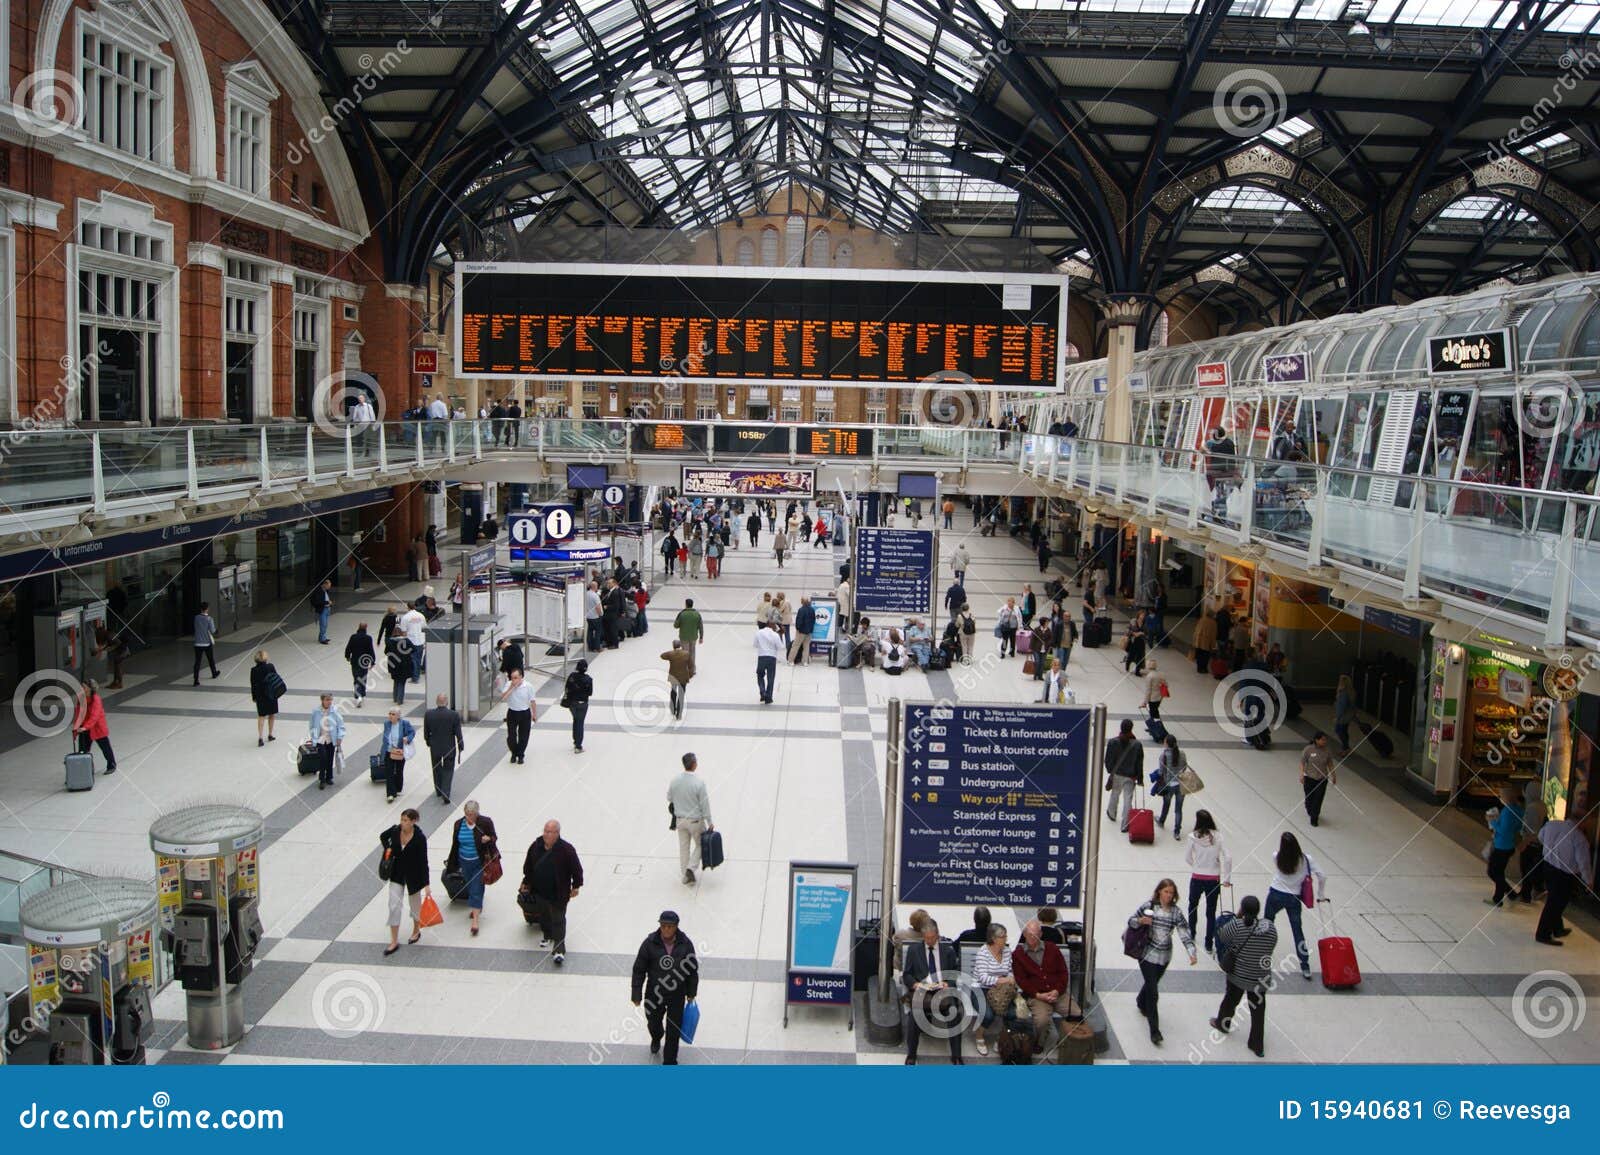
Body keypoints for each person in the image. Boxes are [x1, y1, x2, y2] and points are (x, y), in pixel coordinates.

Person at [1128, 878, 1196, 1046]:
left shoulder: (1176, 913)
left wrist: (1191, 953)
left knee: (1152, 984)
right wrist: (1140, 921)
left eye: (1171, 892)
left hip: (1164, 956)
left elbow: (1184, 932)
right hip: (1147, 954)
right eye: (1165, 891)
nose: (1168, 895)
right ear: (1159, 891)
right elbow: (1131, 921)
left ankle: (1140, 1001)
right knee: (1153, 991)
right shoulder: (1149, 907)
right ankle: (1154, 1030)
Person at [1210, 894, 1278, 1058]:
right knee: (1258, 1010)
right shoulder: (1270, 927)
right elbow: (1272, 946)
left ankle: (1223, 1023)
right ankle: (1257, 1044)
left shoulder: (1237, 926)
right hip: (1260, 977)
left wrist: (1238, 917)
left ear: (1243, 909)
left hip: (1238, 975)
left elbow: (1222, 936)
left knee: (1230, 1001)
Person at [631, 911, 699, 1064]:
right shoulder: (649, 943)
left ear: (676, 927)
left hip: (677, 993)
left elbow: (692, 971)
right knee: (653, 1022)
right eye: (663, 926)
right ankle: (656, 1036)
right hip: (654, 992)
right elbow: (639, 970)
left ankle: (670, 1061)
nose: (666, 929)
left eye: (670, 926)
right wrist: (636, 994)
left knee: (673, 1030)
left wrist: (691, 993)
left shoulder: (686, 944)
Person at [521, 819, 584, 965]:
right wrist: (526, 882)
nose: (546, 834)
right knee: (543, 915)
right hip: (539, 891)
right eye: (545, 831)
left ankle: (559, 949)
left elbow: (577, 869)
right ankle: (547, 935)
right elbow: (528, 866)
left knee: (559, 920)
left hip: (559, 893)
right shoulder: (535, 846)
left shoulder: (567, 850)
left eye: (550, 832)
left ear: (557, 833)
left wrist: (576, 886)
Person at [902, 918, 963, 1065]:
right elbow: (906, 975)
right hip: (923, 991)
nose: (929, 941)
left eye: (931, 938)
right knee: (915, 1015)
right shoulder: (914, 950)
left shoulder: (947, 952)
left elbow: (955, 974)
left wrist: (947, 983)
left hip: (943, 992)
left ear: (937, 935)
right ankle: (911, 1054)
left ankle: (956, 1055)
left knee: (955, 1013)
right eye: (926, 938)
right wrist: (915, 984)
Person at [1264, 832, 1324, 979]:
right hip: (1294, 897)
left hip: (1275, 893)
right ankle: (1305, 966)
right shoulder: (1306, 860)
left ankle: (1264, 961)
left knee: (1267, 926)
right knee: (1297, 931)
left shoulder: (1276, 856)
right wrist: (1321, 894)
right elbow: (1322, 875)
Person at [1013, 917, 1071, 1049]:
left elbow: (1063, 973)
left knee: (1076, 1015)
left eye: (1035, 934)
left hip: (1058, 993)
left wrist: (1057, 991)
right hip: (1037, 996)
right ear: (1024, 935)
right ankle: (1039, 1043)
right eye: (1029, 934)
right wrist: (1038, 995)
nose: (1032, 937)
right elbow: (1021, 981)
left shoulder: (1052, 949)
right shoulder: (1018, 954)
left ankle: (1064, 1041)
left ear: (1040, 934)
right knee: (1041, 1021)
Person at [379, 809, 430, 956]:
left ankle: (416, 930)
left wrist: (426, 884)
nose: (403, 823)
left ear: (414, 821)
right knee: (393, 905)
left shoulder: (420, 838)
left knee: (415, 905)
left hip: (414, 875)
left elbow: (423, 861)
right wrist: (388, 849)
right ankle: (394, 940)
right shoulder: (396, 830)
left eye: (406, 820)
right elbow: (383, 836)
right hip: (397, 874)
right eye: (402, 819)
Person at [1535, 817, 1593, 945]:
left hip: (1547, 866)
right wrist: (1588, 881)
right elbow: (1583, 862)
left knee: (1554, 899)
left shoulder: (1552, 824)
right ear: (1582, 822)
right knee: (1556, 903)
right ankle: (1542, 934)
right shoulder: (1579, 838)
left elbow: (1540, 836)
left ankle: (1557, 928)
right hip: (1563, 875)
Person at [445, 801, 498, 936]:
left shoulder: (485, 823)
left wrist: (488, 839)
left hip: (479, 861)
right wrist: (453, 862)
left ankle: (475, 920)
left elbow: (494, 837)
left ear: (477, 813)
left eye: (473, 815)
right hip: (464, 860)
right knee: (470, 885)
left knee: (476, 888)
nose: (470, 818)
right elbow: (455, 844)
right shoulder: (458, 824)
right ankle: (477, 906)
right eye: (467, 814)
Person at [1185, 809, 1231, 954]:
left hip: (1197, 876)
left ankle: (1191, 933)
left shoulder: (1192, 837)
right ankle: (1208, 942)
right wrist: (1227, 878)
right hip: (1213, 878)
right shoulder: (1218, 836)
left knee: (1193, 905)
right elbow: (1228, 857)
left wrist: (1196, 865)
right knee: (1210, 912)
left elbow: (1187, 857)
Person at [972, 923, 1022, 1057]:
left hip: (1002, 991)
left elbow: (1010, 972)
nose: (1006, 938)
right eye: (1003, 936)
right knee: (988, 1015)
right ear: (994, 939)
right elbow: (983, 978)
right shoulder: (983, 952)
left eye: (1005, 936)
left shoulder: (1006, 951)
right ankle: (979, 1035)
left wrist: (1008, 979)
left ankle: (1001, 1037)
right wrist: (1002, 980)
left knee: (1012, 1013)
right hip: (981, 989)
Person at [669, 752, 713, 884]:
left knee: (684, 847)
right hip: (695, 821)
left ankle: (685, 876)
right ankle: (690, 868)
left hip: (680, 820)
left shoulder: (675, 780)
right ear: (694, 764)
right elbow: (705, 804)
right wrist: (710, 821)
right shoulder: (699, 783)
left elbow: (669, 798)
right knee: (700, 845)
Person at [1485, 783, 1527, 907]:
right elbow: (1517, 827)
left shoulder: (1508, 811)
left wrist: (1492, 821)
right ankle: (1509, 894)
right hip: (1509, 845)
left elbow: (1503, 830)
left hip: (1502, 846)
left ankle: (1499, 898)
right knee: (1499, 871)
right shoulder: (1519, 810)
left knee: (1493, 871)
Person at [1103, 718, 1144, 833]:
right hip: (1130, 777)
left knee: (1115, 793)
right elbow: (1139, 763)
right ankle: (1125, 824)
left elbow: (1107, 760)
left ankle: (1111, 813)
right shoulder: (1137, 745)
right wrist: (1140, 779)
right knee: (1128, 800)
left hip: (1116, 774)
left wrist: (1111, 771)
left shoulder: (1112, 742)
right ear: (1131, 729)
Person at [423, 693, 465, 804]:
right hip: (449, 747)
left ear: (437, 702)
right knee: (448, 770)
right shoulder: (453, 715)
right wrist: (461, 745)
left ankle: (438, 790)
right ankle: (446, 792)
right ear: (446, 702)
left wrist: (428, 741)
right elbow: (458, 732)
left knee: (436, 768)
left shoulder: (429, 714)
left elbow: (426, 731)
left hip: (435, 747)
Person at [70, 680, 117, 775]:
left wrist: (85, 727)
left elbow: (94, 716)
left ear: (91, 688)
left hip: (97, 727)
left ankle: (111, 765)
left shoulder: (96, 699)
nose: (82, 689)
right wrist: (76, 729)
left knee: (105, 748)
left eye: (84, 687)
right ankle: (87, 769)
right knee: (83, 751)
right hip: (85, 728)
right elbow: (78, 715)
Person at [308, 692, 346, 790]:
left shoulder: (334, 711)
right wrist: (313, 738)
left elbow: (341, 725)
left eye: (330, 700)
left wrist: (340, 737)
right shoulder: (316, 712)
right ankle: (322, 779)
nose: (329, 702)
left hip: (331, 739)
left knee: (330, 758)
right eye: (327, 700)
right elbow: (311, 725)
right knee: (323, 758)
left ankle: (329, 777)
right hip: (320, 740)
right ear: (322, 700)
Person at [498, 668, 536, 764]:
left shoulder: (528, 686)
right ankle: (514, 753)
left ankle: (520, 755)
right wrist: (512, 687)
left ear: (521, 677)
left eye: (516, 678)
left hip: (525, 713)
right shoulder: (508, 685)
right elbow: (503, 698)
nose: (514, 680)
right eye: (512, 678)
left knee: (524, 736)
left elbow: (532, 701)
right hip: (512, 713)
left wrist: (534, 714)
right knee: (511, 736)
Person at [379, 706, 416, 802]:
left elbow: (412, 732)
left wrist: (407, 738)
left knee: (399, 771)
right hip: (389, 751)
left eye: (393, 714)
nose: (390, 716)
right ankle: (390, 794)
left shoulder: (404, 724)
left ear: (398, 716)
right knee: (389, 772)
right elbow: (385, 737)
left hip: (400, 751)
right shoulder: (387, 724)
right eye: (389, 714)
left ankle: (398, 788)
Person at [1299, 731, 1337, 826]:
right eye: (1322, 739)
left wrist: (1333, 775)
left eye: (1325, 740)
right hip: (1309, 778)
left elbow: (1330, 764)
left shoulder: (1327, 751)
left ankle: (1314, 817)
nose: (1324, 741)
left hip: (1321, 779)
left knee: (1318, 798)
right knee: (1309, 798)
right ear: (1317, 740)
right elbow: (1302, 762)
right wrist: (1302, 774)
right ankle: (1309, 808)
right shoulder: (1308, 749)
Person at [1153, 733, 1187, 838]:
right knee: (1178, 809)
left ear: (1167, 744)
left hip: (1168, 785)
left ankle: (1162, 820)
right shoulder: (1182, 753)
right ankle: (1177, 831)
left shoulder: (1163, 756)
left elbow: (1160, 772)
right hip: (1181, 784)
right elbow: (1184, 767)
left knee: (1166, 805)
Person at [249, 650, 283, 746]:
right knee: (272, 714)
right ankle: (270, 734)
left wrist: (254, 697)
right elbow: (276, 678)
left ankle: (260, 737)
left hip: (260, 695)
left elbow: (253, 685)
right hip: (271, 694)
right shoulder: (270, 666)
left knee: (261, 716)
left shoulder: (253, 670)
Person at [563, 659, 593, 753]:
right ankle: (578, 746)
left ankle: (575, 741)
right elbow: (590, 693)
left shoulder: (572, 676)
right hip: (583, 703)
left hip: (572, 703)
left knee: (575, 720)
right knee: (580, 723)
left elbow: (567, 687)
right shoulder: (589, 679)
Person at [661, 640, 695, 720]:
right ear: (680, 646)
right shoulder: (686, 654)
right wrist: (690, 675)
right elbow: (691, 665)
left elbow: (662, 656)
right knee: (681, 694)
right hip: (683, 677)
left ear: (673, 646)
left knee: (673, 692)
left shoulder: (671, 654)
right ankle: (679, 714)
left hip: (674, 677)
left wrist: (672, 651)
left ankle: (673, 709)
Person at [344, 624, 375, 707]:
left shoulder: (353, 637)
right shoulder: (368, 638)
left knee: (356, 678)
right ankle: (362, 693)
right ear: (366, 628)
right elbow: (371, 650)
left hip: (354, 661)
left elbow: (348, 648)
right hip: (364, 662)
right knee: (363, 678)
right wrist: (372, 661)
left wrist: (347, 656)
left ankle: (358, 695)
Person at [754, 620, 784, 704]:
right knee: (771, 678)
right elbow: (780, 647)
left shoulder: (759, 633)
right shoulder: (775, 635)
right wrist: (780, 634)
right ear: (773, 626)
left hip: (762, 657)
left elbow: (755, 644)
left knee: (760, 675)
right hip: (772, 657)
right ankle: (768, 697)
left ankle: (762, 692)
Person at [192, 602, 219, 684]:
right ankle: (214, 673)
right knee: (211, 659)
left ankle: (196, 679)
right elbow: (213, 631)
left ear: (201, 609)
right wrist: (216, 630)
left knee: (197, 662)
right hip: (207, 643)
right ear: (207, 609)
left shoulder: (196, 618)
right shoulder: (209, 619)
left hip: (197, 643)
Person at [399, 603, 427, 682]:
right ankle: (416, 675)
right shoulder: (421, 616)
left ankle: (415, 677)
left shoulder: (405, 617)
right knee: (418, 659)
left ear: (408, 607)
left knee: (413, 660)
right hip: (420, 640)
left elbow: (403, 632)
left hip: (411, 641)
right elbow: (424, 628)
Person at [674, 599, 704, 667]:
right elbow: (701, 627)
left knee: (685, 652)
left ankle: (685, 668)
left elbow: (675, 626)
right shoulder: (697, 614)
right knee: (692, 652)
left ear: (686, 605)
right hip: (693, 637)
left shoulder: (682, 614)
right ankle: (692, 668)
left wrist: (678, 617)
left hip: (684, 637)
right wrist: (701, 637)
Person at [1192, 601, 1218, 675]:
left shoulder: (1202, 619)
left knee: (1199, 654)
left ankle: (1199, 668)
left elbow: (1196, 630)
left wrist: (1194, 640)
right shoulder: (1213, 622)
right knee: (1205, 655)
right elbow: (1213, 634)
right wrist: (1213, 645)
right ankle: (1204, 668)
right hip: (1206, 642)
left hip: (1199, 640)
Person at [1333, 674, 1356, 752]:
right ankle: (1345, 747)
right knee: (1344, 731)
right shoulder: (1350, 692)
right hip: (1348, 715)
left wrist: (1337, 717)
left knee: (1339, 730)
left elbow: (1341, 707)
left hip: (1343, 716)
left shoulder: (1343, 693)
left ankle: (1345, 747)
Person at [792, 596, 816, 664]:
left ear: (802, 602)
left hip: (801, 631)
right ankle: (805, 661)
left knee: (795, 646)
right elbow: (814, 620)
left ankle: (791, 660)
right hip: (809, 632)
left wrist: (798, 628)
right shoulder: (812, 609)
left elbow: (799, 621)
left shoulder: (801, 610)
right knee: (806, 647)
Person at [1124, 609, 1148, 676]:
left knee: (1140, 657)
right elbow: (1127, 630)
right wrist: (1134, 633)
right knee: (1131, 655)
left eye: (1144, 615)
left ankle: (1137, 671)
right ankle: (1127, 664)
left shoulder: (1145, 623)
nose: (1142, 616)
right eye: (1141, 615)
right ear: (1139, 615)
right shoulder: (1133, 621)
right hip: (1133, 641)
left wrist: (1142, 633)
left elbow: (1147, 632)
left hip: (1141, 642)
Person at [1029, 616, 1053, 682]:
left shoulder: (1048, 630)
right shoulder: (1036, 629)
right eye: (1047, 622)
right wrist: (1030, 648)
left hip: (1044, 649)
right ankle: (1035, 674)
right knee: (1037, 662)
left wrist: (1047, 643)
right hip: (1036, 649)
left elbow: (1051, 639)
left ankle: (1040, 676)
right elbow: (1032, 639)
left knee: (1042, 663)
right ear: (1043, 623)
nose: (1048, 623)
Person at [311, 578, 333, 644]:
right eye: (328, 586)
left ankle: (322, 637)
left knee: (325, 624)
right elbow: (318, 601)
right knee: (323, 624)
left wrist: (329, 603)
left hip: (327, 609)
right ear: (324, 584)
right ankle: (322, 639)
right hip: (322, 610)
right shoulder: (318, 591)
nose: (329, 588)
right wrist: (327, 602)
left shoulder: (325, 590)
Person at [583, 582, 602, 652]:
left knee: (590, 632)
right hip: (595, 616)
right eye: (597, 586)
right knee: (598, 632)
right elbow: (598, 607)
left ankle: (590, 647)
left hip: (588, 616)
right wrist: (600, 614)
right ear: (594, 587)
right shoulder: (595, 595)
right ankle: (597, 647)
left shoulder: (586, 594)